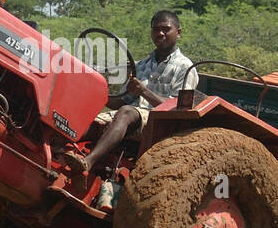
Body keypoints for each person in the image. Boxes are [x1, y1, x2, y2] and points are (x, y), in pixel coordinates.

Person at [66, 10, 198, 183]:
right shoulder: (142, 65)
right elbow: (121, 101)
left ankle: (87, 162)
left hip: (160, 123)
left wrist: (144, 91)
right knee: (88, 119)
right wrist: (96, 93)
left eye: (166, 29)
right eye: (156, 29)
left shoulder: (186, 68)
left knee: (127, 112)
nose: (160, 33)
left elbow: (178, 109)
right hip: (129, 118)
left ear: (178, 32)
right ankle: (59, 152)